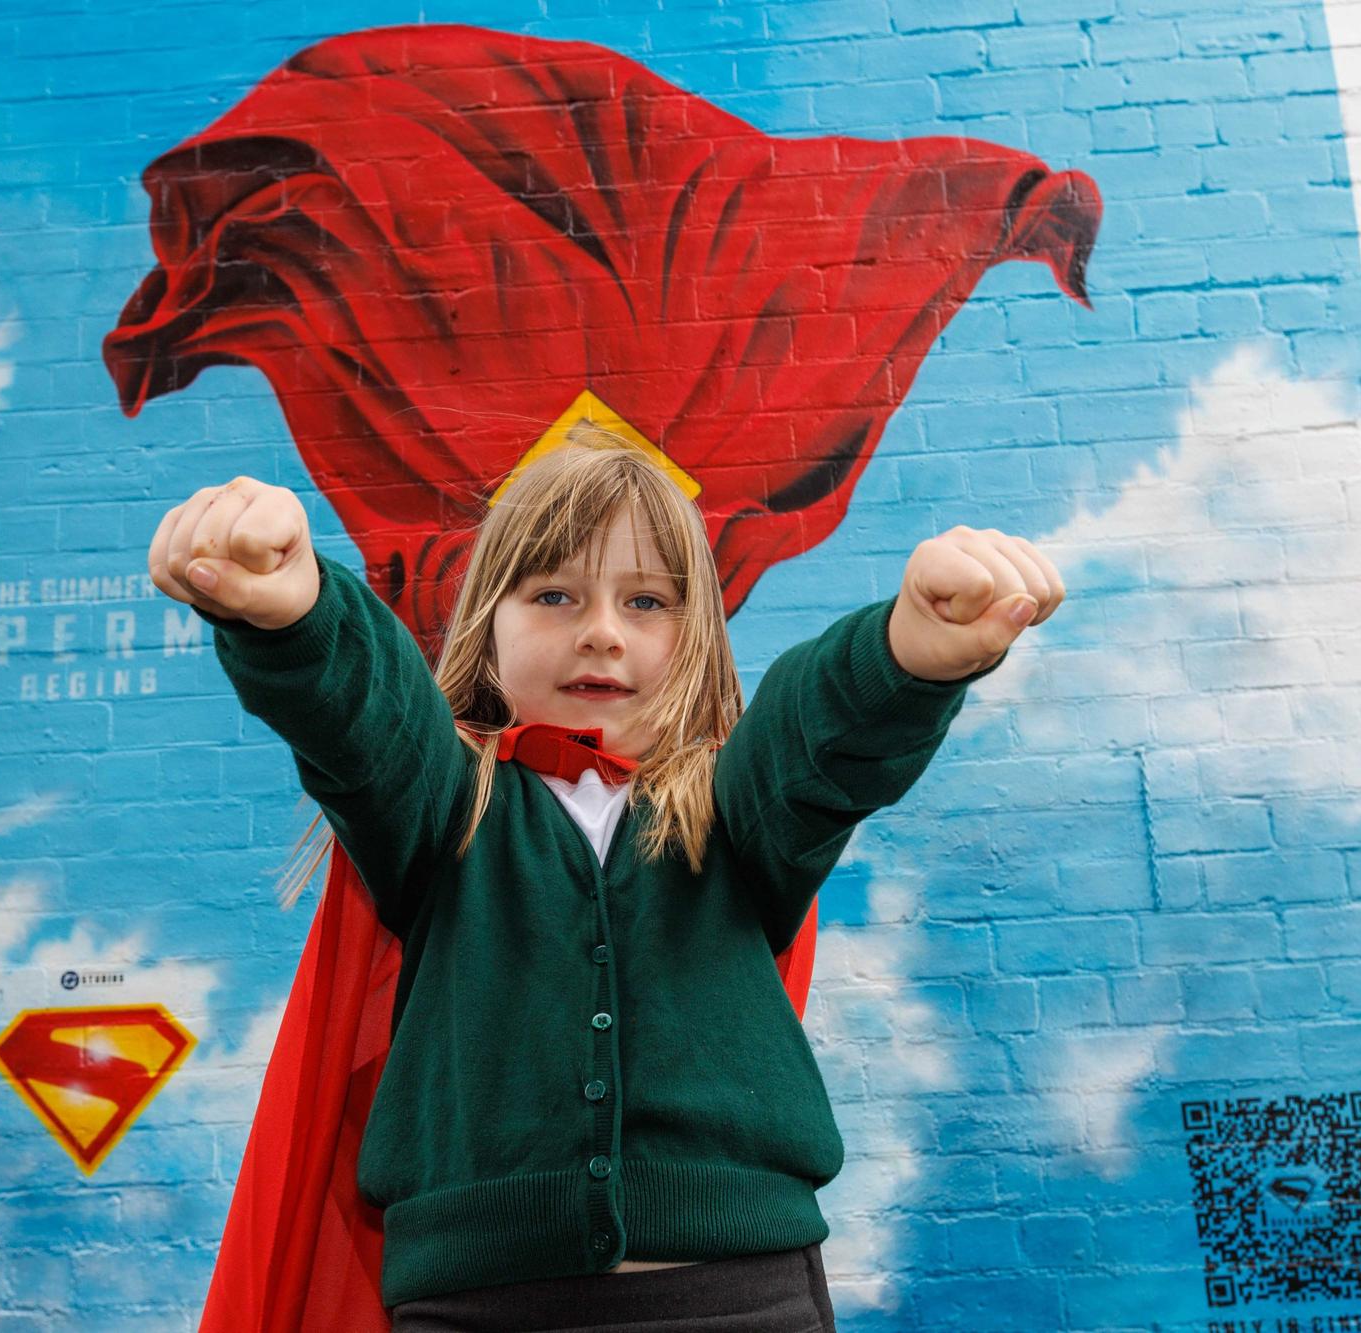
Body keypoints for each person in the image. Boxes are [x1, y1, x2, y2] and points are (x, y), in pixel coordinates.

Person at [147, 442, 1062, 1332]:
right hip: (476, 1306)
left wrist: (906, 648)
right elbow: (363, 710)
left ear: (695, 637)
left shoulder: (739, 810)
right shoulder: (439, 802)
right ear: (486, 627)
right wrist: (299, 606)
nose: (601, 630)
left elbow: (814, 730)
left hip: (743, 1301)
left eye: (647, 600)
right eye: (553, 594)